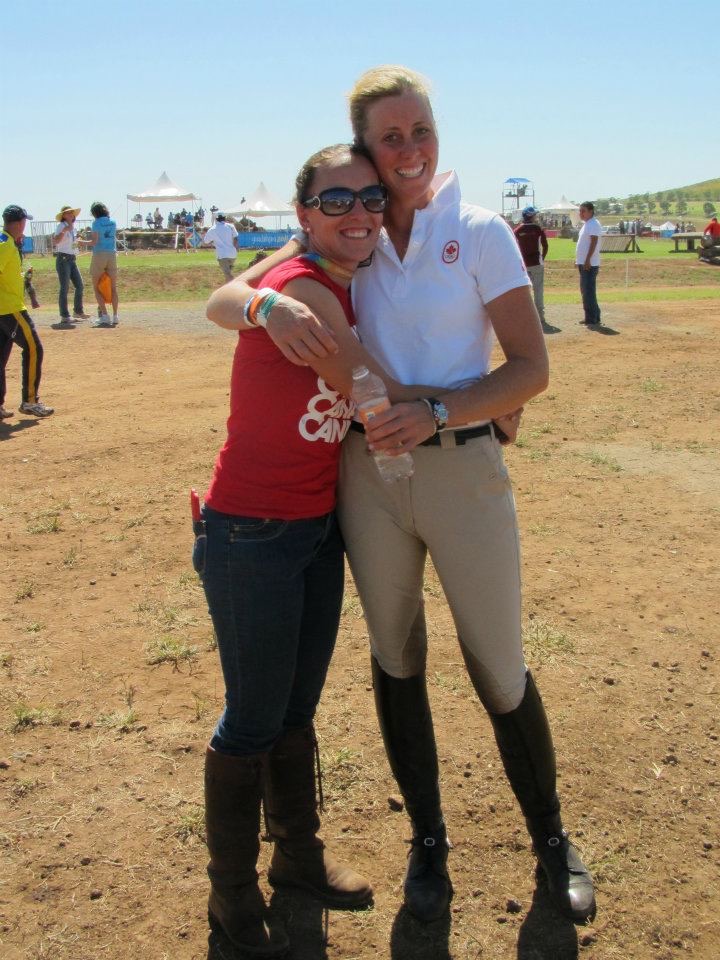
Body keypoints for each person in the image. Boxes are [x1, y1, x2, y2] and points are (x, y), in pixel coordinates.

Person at [208, 65, 595, 926]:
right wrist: (264, 310)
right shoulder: (353, 233)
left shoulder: (483, 230)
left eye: (421, 130)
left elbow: (532, 369)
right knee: (395, 655)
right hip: (364, 477)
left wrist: (440, 410)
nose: (411, 151)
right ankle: (428, 842)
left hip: (458, 467)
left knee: (498, 664)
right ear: (365, 152)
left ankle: (551, 838)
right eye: (392, 138)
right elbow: (231, 293)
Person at [200, 142, 447, 956]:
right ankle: (232, 899)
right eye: (335, 201)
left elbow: (228, 292)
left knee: (294, 713)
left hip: (313, 531)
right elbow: (369, 387)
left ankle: (297, 862)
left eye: (371, 198)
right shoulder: (304, 290)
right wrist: (486, 400)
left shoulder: (331, 277)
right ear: (305, 216)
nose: (359, 214)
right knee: (252, 720)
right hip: (252, 535)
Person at [0, 205, 54, 419]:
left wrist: (22, 278)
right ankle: (30, 401)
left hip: (5, 307)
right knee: (34, 348)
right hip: (10, 308)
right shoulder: (5, 244)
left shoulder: (7, 242)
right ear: (20, 222)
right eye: (24, 222)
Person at [52, 205, 89, 327]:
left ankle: (77, 311)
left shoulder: (73, 229)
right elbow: (56, 241)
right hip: (63, 258)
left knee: (79, 285)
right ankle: (64, 315)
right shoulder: (61, 226)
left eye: (71, 213)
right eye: (68, 213)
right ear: (63, 215)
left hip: (72, 259)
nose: (70, 215)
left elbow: (72, 245)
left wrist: (77, 244)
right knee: (65, 287)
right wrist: (64, 231)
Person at [513, 206, 549, 326]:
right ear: (531, 216)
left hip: (523, 265)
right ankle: (540, 317)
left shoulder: (517, 230)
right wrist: (541, 258)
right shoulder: (538, 229)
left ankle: (525, 317)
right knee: (538, 291)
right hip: (537, 264)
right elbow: (545, 246)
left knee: (524, 292)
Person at [87, 203, 119, 328]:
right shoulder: (113, 222)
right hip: (112, 254)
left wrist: (80, 242)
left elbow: (94, 241)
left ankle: (105, 315)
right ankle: (116, 315)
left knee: (96, 287)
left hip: (99, 254)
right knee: (113, 288)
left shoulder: (96, 223)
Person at [576, 201, 602, 326]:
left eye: (583, 211)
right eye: (580, 211)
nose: (580, 213)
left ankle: (592, 317)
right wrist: (579, 260)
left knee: (588, 290)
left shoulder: (593, 224)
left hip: (589, 264)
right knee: (585, 290)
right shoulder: (586, 224)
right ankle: (592, 316)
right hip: (583, 262)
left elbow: (594, 242)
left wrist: (587, 260)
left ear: (591, 211)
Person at [202, 213, 239, 282]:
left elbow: (206, 242)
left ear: (216, 219)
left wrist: (213, 242)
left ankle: (236, 286)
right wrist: (236, 248)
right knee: (228, 273)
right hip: (232, 254)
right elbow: (236, 238)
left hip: (222, 255)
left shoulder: (212, 229)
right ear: (224, 218)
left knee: (227, 274)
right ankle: (228, 289)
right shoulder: (231, 226)